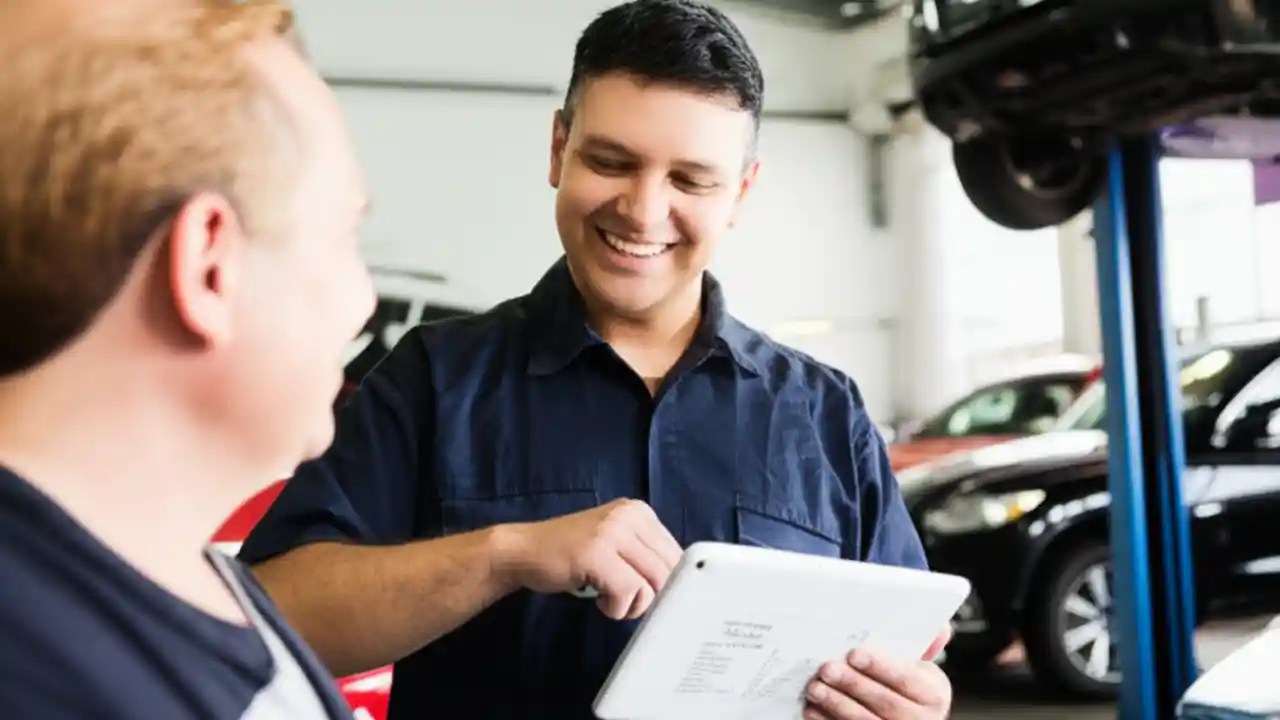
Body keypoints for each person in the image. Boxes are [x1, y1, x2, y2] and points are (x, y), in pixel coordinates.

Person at [240, 1, 953, 718]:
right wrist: (505, 555)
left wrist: (907, 702)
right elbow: (270, 618)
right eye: (612, 162)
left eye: (691, 180)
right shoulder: (432, 380)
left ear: (740, 192)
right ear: (559, 149)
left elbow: (908, 656)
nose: (643, 211)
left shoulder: (826, 415)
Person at [0, 0, 376, 716]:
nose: (363, 301)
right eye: (343, 236)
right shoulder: (35, 670)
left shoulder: (172, 574)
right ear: (211, 265)